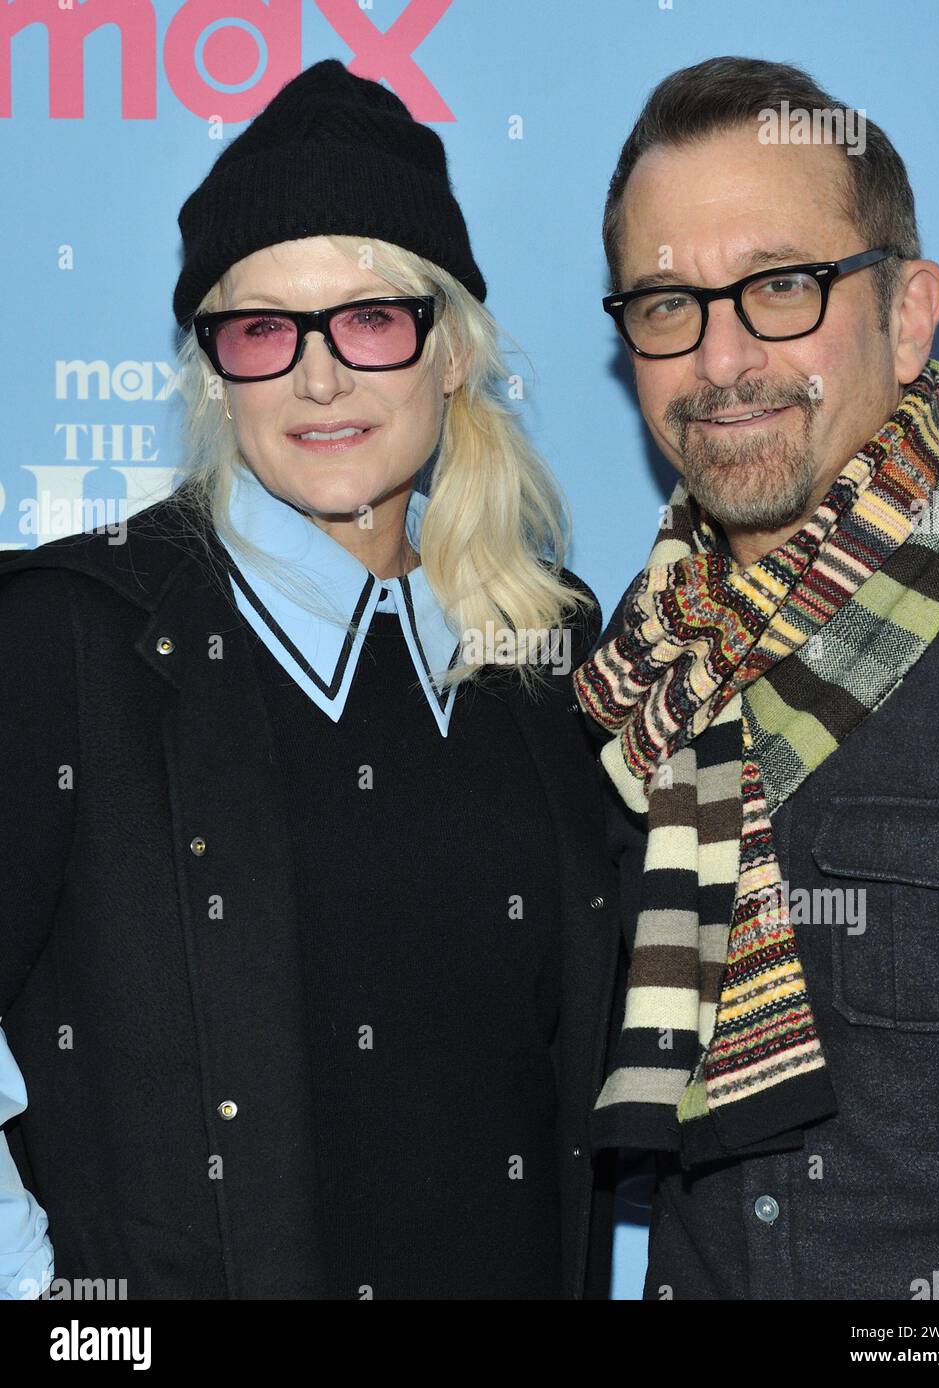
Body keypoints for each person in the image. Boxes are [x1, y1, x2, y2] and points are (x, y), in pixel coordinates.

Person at [0, 59, 623, 1300]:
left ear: (449, 353)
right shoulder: (69, 636)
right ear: (217, 367)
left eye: (371, 318)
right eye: (263, 327)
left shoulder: (546, 651)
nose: (318, 376)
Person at [574, 55, 939, 1300]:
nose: (721, 359)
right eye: (668, 302)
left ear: (910, 310)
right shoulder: (627, 673)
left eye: (781, 286)